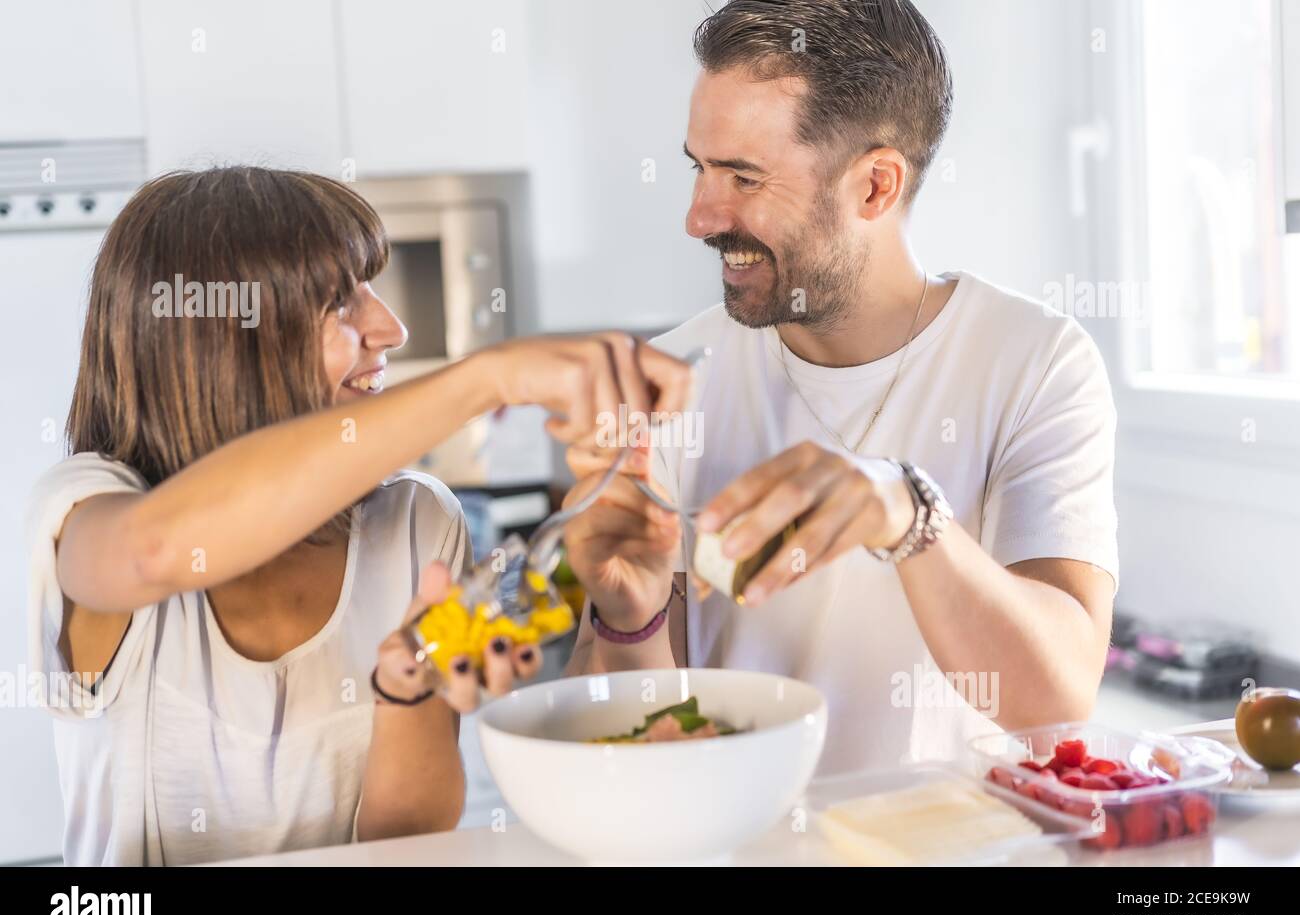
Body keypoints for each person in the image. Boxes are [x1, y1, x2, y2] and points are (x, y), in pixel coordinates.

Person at [27, 166, 688, 865]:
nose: (391, 327)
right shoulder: (84, 506)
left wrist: (407, 692)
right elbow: (151, 553)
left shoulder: (414, 521)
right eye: (339, 302)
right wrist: (490, 376)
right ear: (222, 337)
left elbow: (403, 841)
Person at [561, 0, 1118, 773]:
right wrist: (629, 619)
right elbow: (625, 760)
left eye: (742, 176)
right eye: (699, 166)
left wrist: (907, 511)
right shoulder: (669, 383)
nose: (698, 216)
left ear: (875, 188)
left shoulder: (1034, 361)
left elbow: (1056, 695)